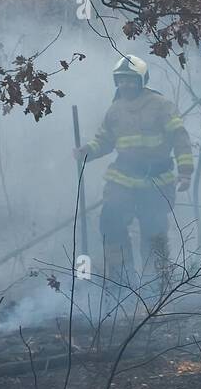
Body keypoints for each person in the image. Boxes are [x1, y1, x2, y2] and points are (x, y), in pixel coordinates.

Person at [73, 55, 194, 284]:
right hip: (123, 177)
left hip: (157, 179)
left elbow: (180, 138)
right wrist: (86, 152)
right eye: (121, 80)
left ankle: (157, 285)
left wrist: (185, 171)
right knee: (111, 223)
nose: (125, 85)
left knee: (154, 231)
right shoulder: (115, 109)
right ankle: (121, 281)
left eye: (130, 80)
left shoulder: (161, 105)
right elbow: (104, 140)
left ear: (142, 80)